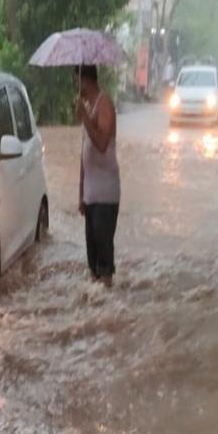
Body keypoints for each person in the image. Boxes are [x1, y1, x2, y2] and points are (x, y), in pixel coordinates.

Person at [76, 64, 120, 286]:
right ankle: (96, 312)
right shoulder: (88, 105)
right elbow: (84, 153)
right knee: (92, 263)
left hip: (105, 193)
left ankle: (108, 313)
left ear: (86, 80)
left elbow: (102, 143)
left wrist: (85, 117)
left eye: (77, 80)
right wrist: (81, 193)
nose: (76, 86)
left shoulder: (105, 104)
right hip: (92, 194)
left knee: (104, 264)